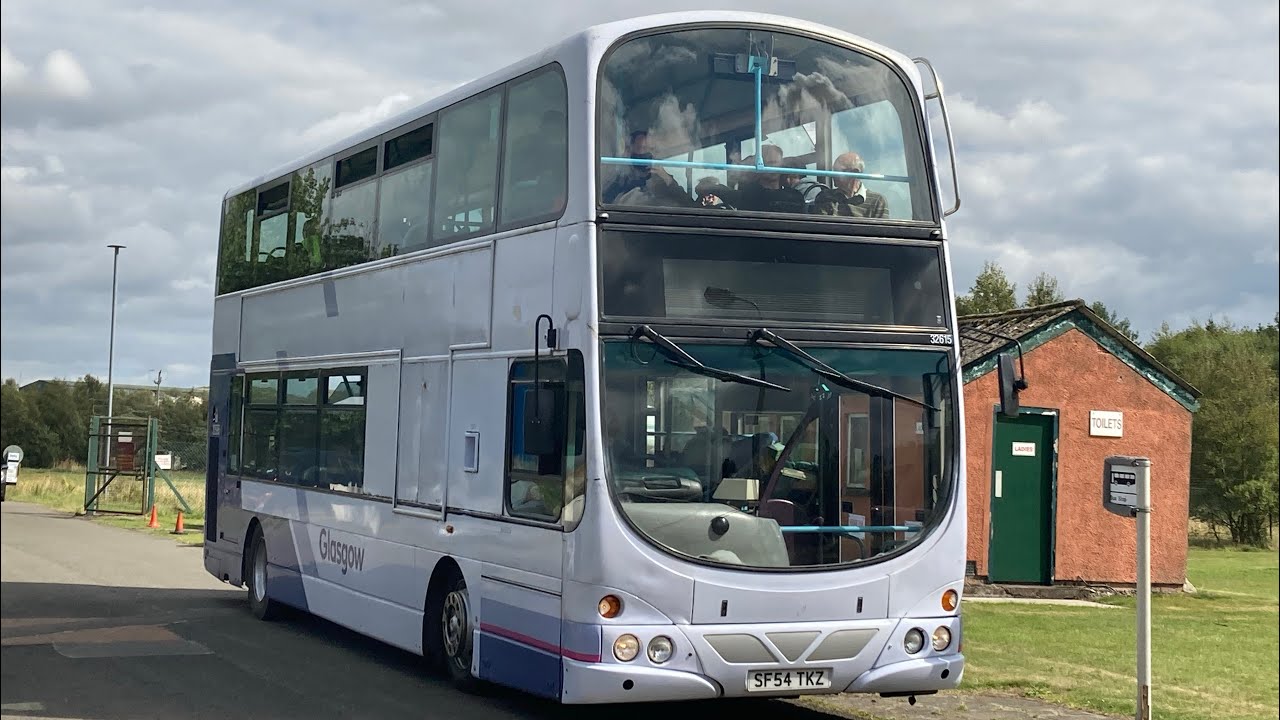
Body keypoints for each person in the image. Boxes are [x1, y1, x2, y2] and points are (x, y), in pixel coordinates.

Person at [810, 151, 889, 218]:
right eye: (833, 171)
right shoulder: (825, 196)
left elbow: (881, 230)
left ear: (855, 173)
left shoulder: (877, 201)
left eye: (837, 171)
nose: (833, 175)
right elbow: (823, 227)